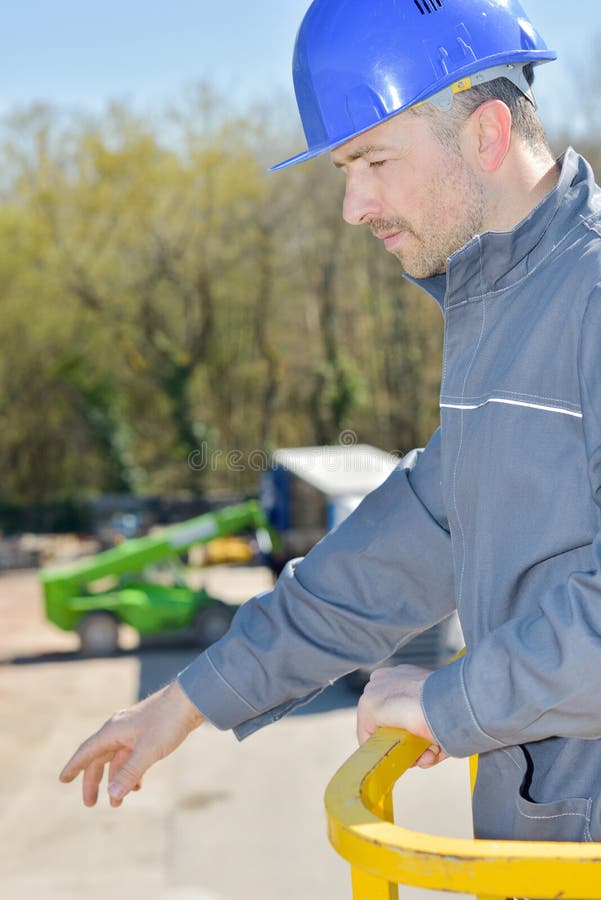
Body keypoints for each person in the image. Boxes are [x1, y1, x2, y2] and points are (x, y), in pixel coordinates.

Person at [61, 0, 601, 843]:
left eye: (374, 160)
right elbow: (410, 541)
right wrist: (190, 698)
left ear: (486, 134)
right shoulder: (502, 310)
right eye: (344, 168)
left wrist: (444, 701)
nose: (353, 205)